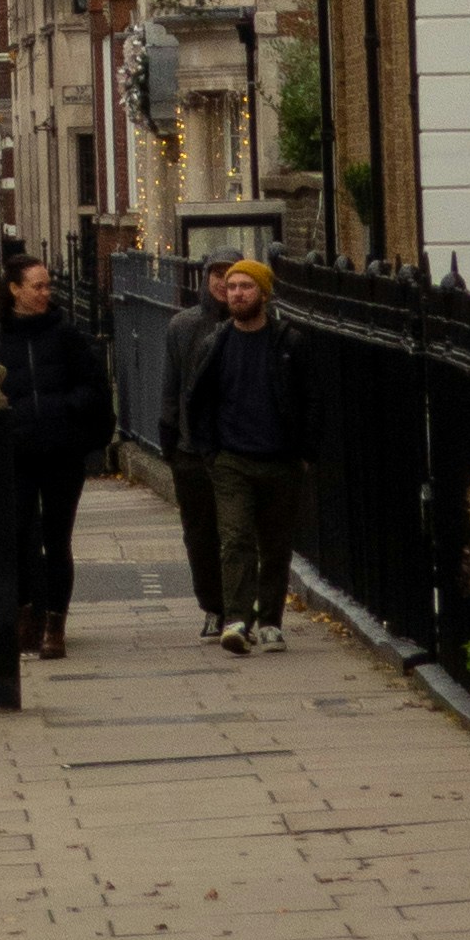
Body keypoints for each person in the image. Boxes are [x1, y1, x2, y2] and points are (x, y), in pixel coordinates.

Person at [178, 259, 314, 651]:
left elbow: (311, 401)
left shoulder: (289, 343)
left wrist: (305, 451)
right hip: (230, 459)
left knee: (275, 544)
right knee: (235, 539)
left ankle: (270, 620)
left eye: (246, 287)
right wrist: (209, 451)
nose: (236, 293)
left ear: (264, 294)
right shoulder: (215, 344)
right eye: (233, 286)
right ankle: (237, 620)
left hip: (280, 459)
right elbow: (196, 398)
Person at [0, 252, 114, 660]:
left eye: (48, 286)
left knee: (57, 539)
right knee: (17, 537)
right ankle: (25, 616)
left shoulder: (66, 335)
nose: (46, 293)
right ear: (14, 290)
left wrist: (66, 408)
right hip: (19, 452)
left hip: (61, 451)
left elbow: (95, 387)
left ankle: (55, 626)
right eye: (38, 286)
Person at [156, 257, 243, 639]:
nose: (224, 284)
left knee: (238, 532)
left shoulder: (253, 325)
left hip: (237, 446)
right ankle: (212, 605)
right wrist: (170, 441)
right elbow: (170, 386)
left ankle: (239, 608)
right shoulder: (184, 325)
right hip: (191, 449)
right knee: (200, 534)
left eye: (232, 276)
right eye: (217, 275)